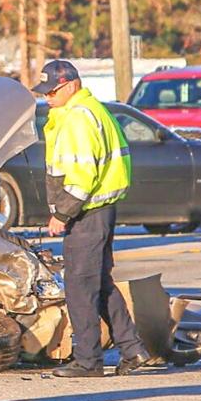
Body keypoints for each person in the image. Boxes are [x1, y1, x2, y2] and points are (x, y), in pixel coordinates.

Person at [31, 59, 150, 378]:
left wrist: (61, 212)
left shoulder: (79, 119)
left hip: (87, 212)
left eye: (52, 91)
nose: (47, 97)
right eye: (44, 92)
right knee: (99, 282)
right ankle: (132, 349)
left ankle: (88, 360)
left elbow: (82, 175)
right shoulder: (83, 111)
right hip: (99, 211)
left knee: (79, 287)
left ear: (71, 85)